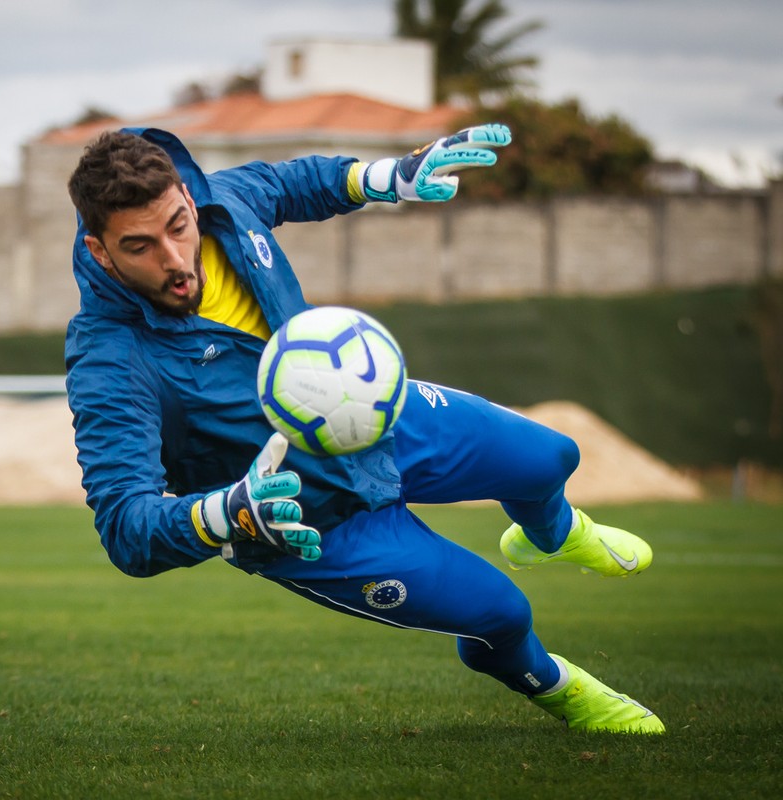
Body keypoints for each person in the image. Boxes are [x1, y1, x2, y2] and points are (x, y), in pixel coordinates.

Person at [64, 125, 664, 734]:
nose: (172, 260)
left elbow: (291, 184)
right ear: (99, 250)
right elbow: (124, 525)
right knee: (503, 613)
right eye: (139, 247)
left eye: (176, 227)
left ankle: (552, 534)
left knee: (550, 458)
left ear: (189, 202)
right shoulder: (109, 361)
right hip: (308, 519)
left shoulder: (222, 200)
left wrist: (387, 178)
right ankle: (552, 683)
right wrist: (228, 515)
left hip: (375, 420)